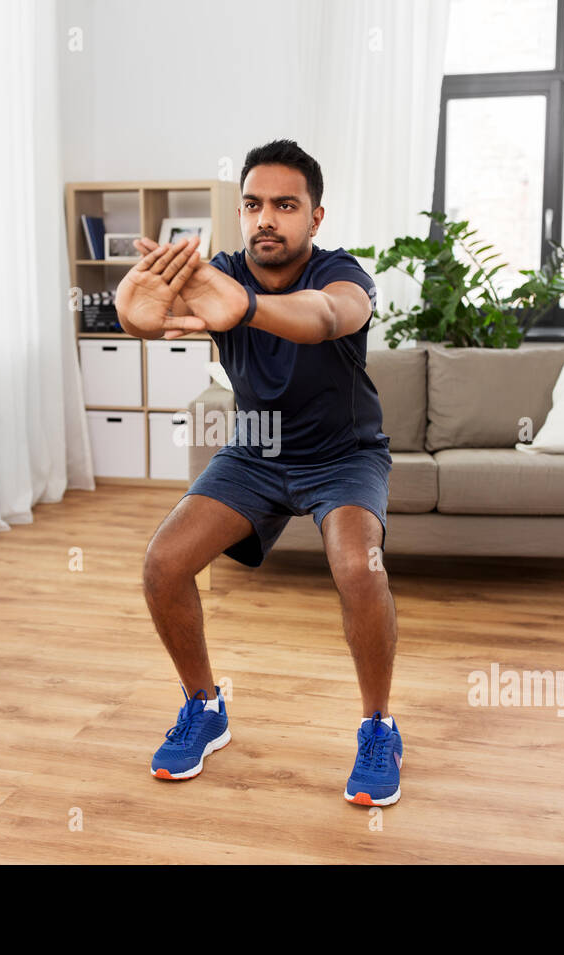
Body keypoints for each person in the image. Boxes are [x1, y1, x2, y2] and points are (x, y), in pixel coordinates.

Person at [113, 139, 402, 806]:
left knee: (360, 567)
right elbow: (145, 314)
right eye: (252, 204)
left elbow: (327, 317)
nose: (265, 217)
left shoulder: (342, 273)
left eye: (284, 204)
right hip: (256, 449)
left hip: (344, 454)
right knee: (163, 562)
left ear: (316, 216)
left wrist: (243, 307)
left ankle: (379, 726)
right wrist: (136, 307)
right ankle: (204, 707)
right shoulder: (215, 271)